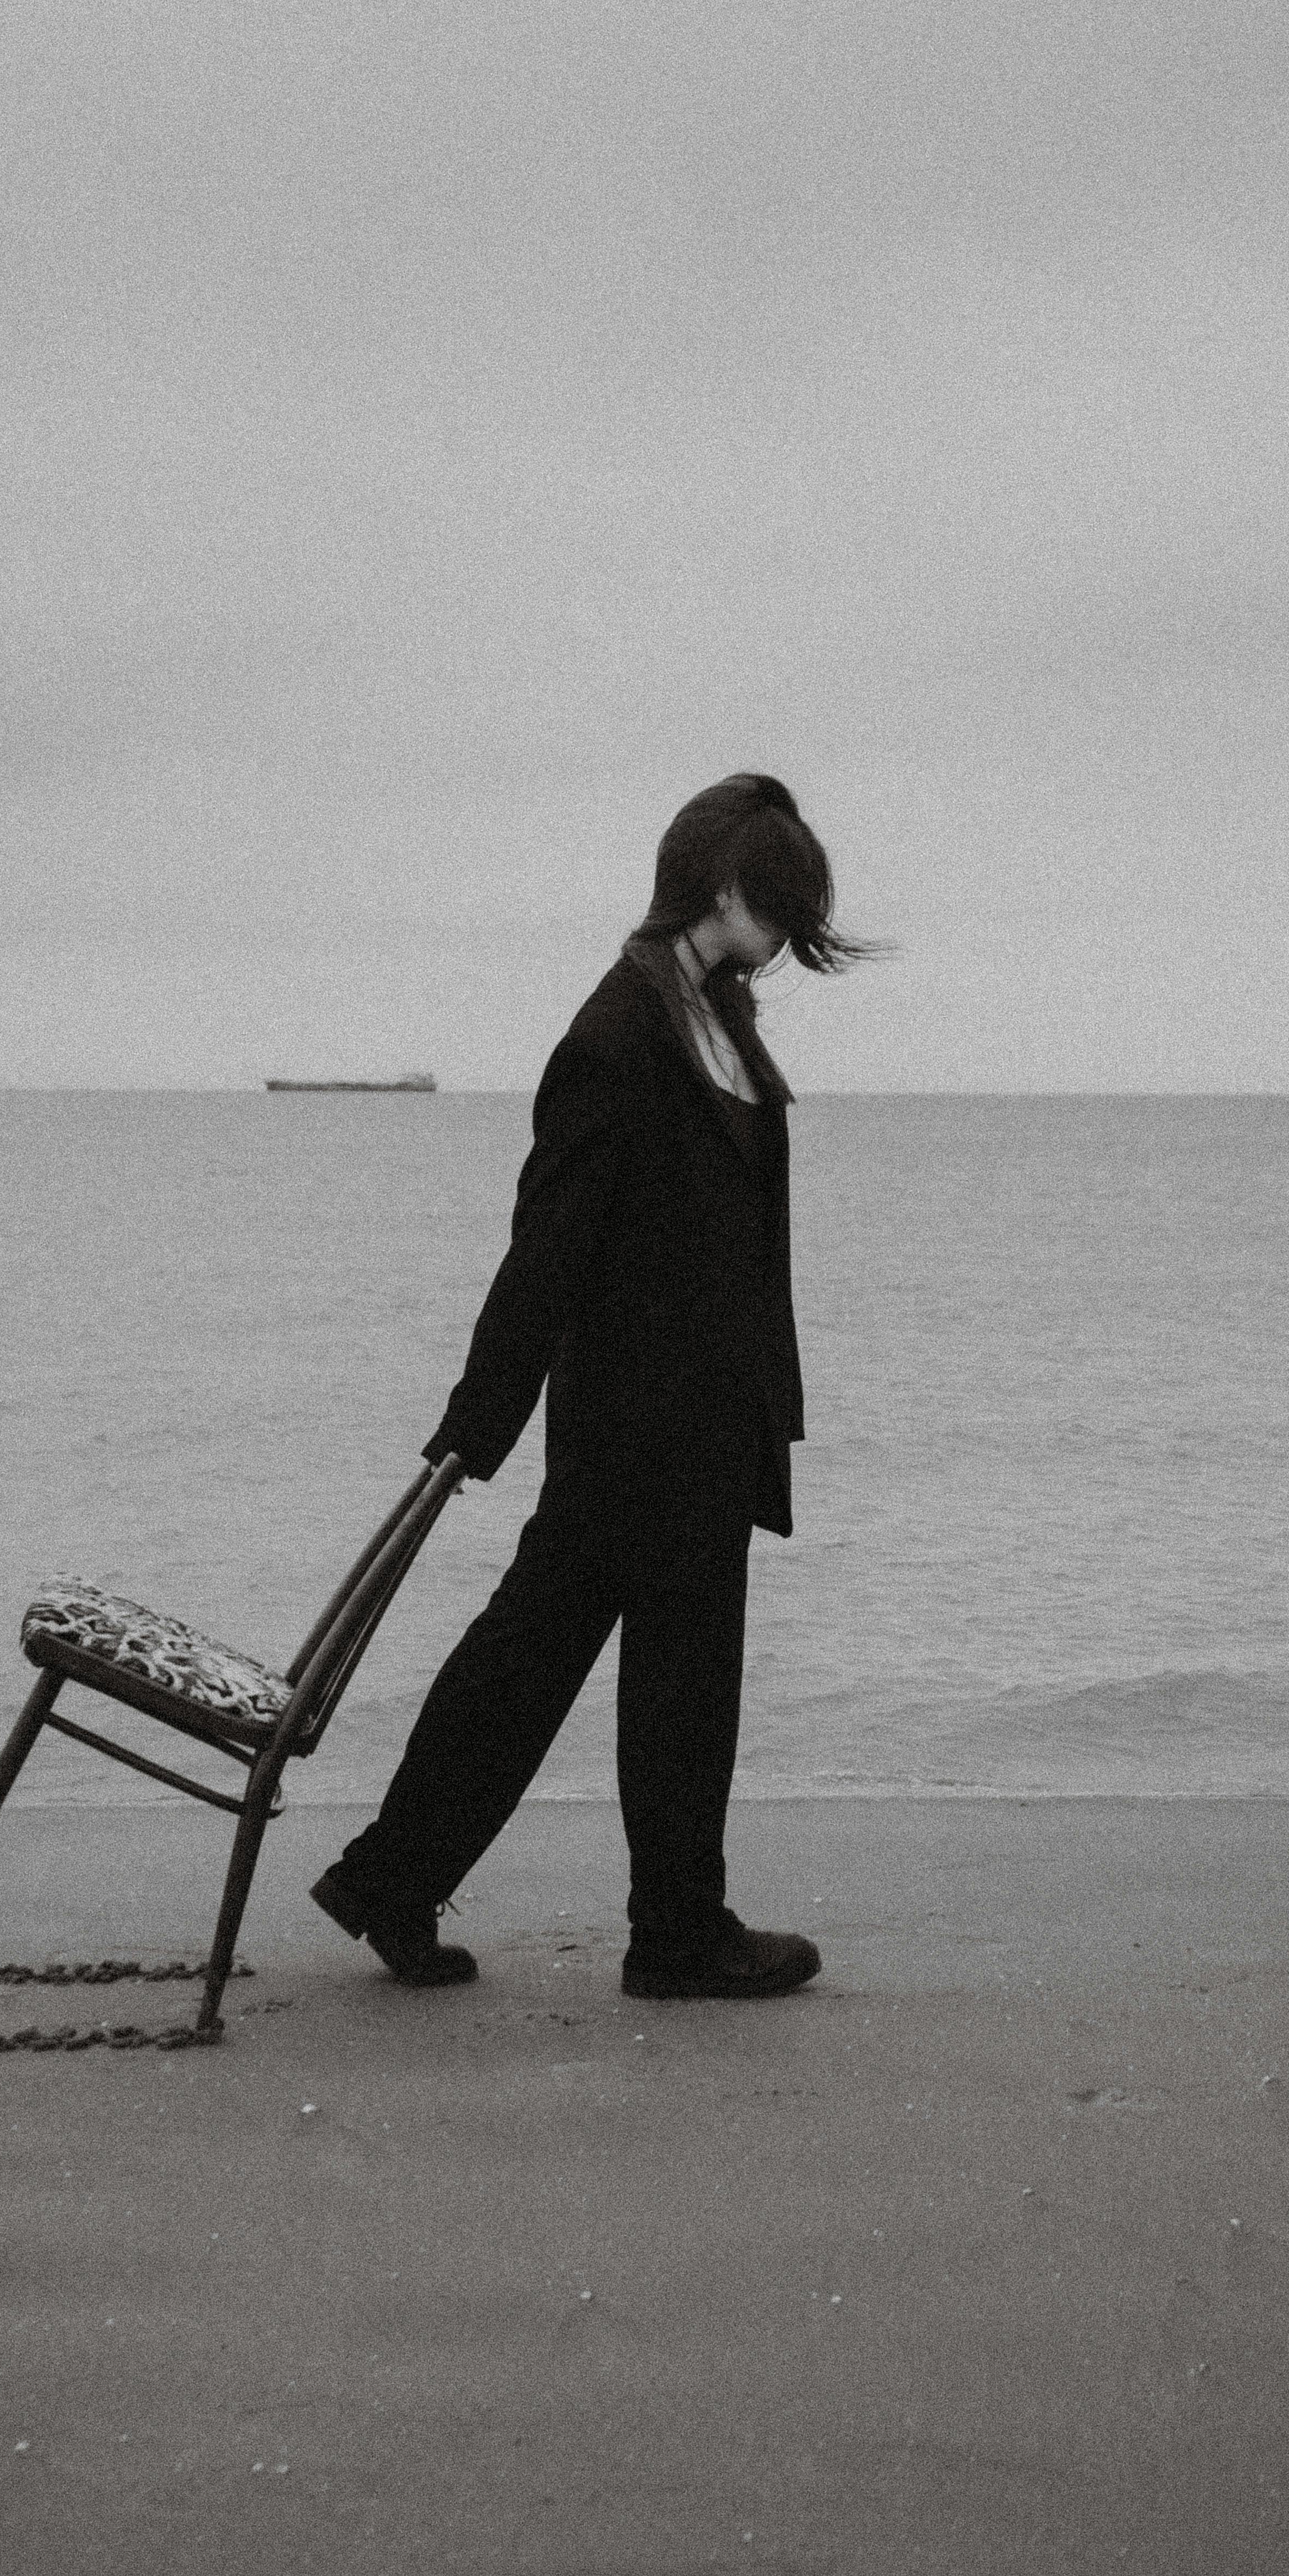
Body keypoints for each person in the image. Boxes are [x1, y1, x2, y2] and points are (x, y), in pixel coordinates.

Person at [312, 772, 877, 2001]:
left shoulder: (714, 1015)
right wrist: (478, 1421)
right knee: (622, 1672)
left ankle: (403, 1881)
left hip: (702, 1419)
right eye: (779, 902)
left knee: (580, 1665)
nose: (789, 934)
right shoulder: (618, 1036)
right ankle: (669, 1935)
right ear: (721, 887)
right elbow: (549, 1248)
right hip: (635, 1427)